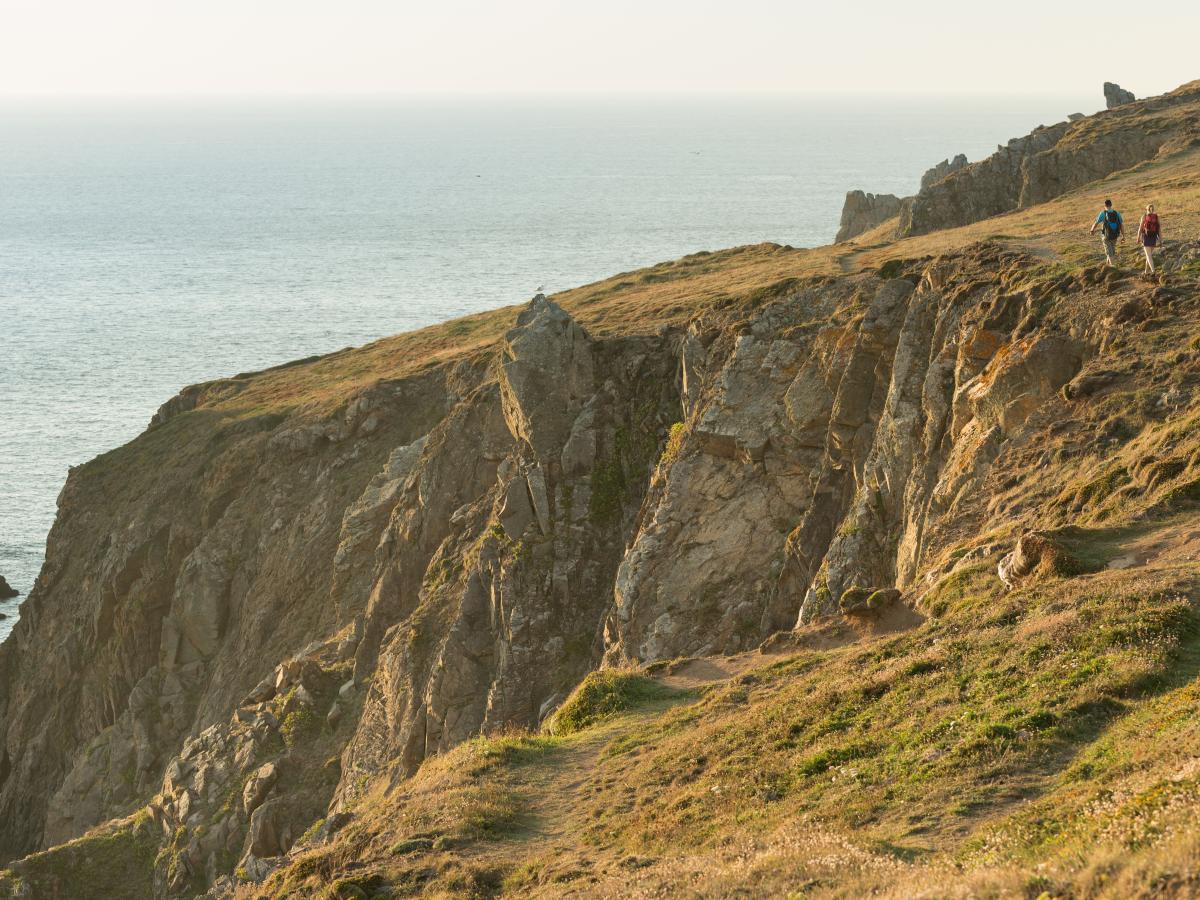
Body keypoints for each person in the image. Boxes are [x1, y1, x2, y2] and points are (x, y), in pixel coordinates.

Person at [1089, 199, 1124, 267]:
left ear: (1104, 205)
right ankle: (1107, 267)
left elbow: (1096, 222)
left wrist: (1092, 230)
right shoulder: (1117, 213)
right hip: (1115, 235)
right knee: (1111, 251)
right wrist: (1123, 236)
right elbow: (1121, 225)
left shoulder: (1103, 213)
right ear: (1111, 205)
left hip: (1106, 236)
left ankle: (1113, 267)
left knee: (1109, 252)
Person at [1137, 203, 1162, 275]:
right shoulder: (1156, 217)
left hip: (1146, 237)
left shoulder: (1144, 216)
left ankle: (1153, 271)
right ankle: (1146, 272)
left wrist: (1138, 237)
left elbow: (1140, 228)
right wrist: (1160, 240)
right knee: (1149, 255)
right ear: (1153, 209)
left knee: (1148, 256)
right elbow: (1159, 230)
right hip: (1154, 237)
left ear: (1146, 209)